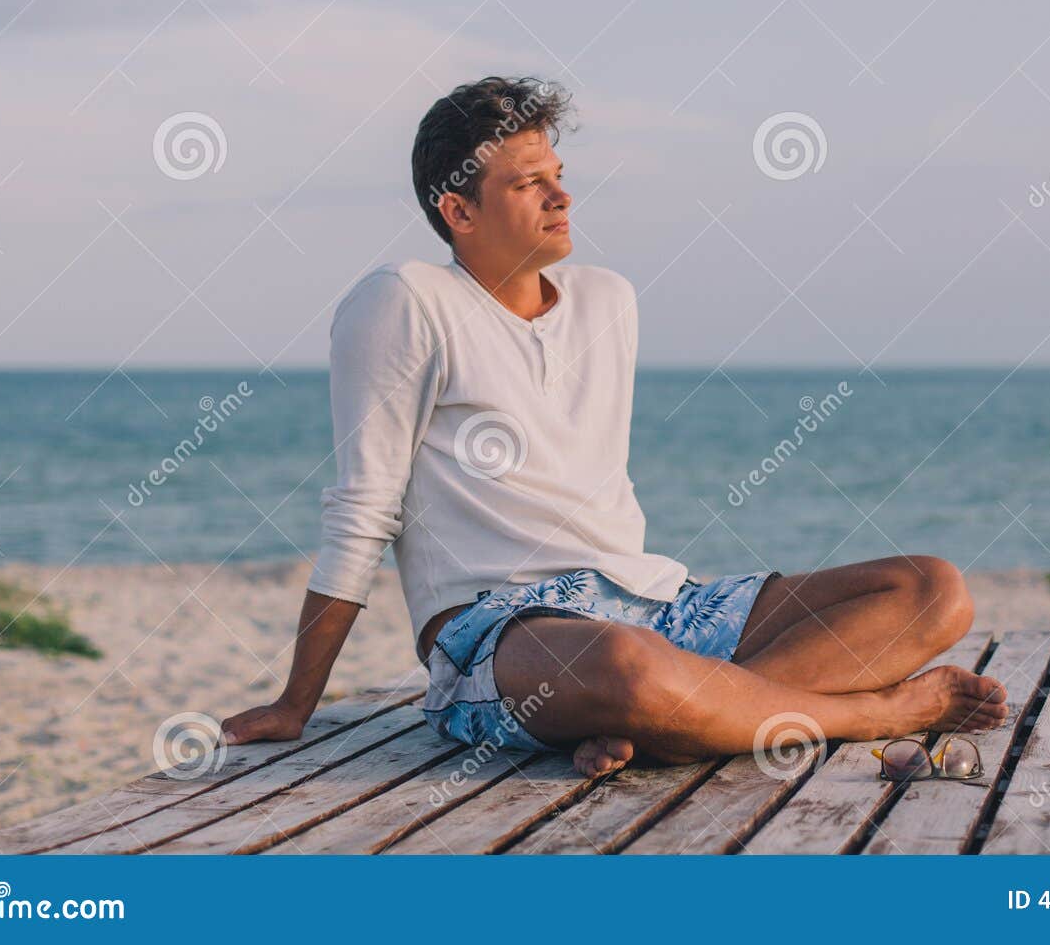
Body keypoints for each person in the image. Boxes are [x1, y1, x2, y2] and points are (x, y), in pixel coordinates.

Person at [221, 77, 1007, 775]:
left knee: (932, 589)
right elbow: (363, 509)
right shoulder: (403, 299)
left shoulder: (608, 299)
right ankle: (863, 711)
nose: (560, 197)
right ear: (458, 209)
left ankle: (679, 728)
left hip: (655, 600)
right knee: (632, 667)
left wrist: (676, 669)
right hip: (505, 628)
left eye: (558, 177)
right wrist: (296, 700)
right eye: (528, 184)